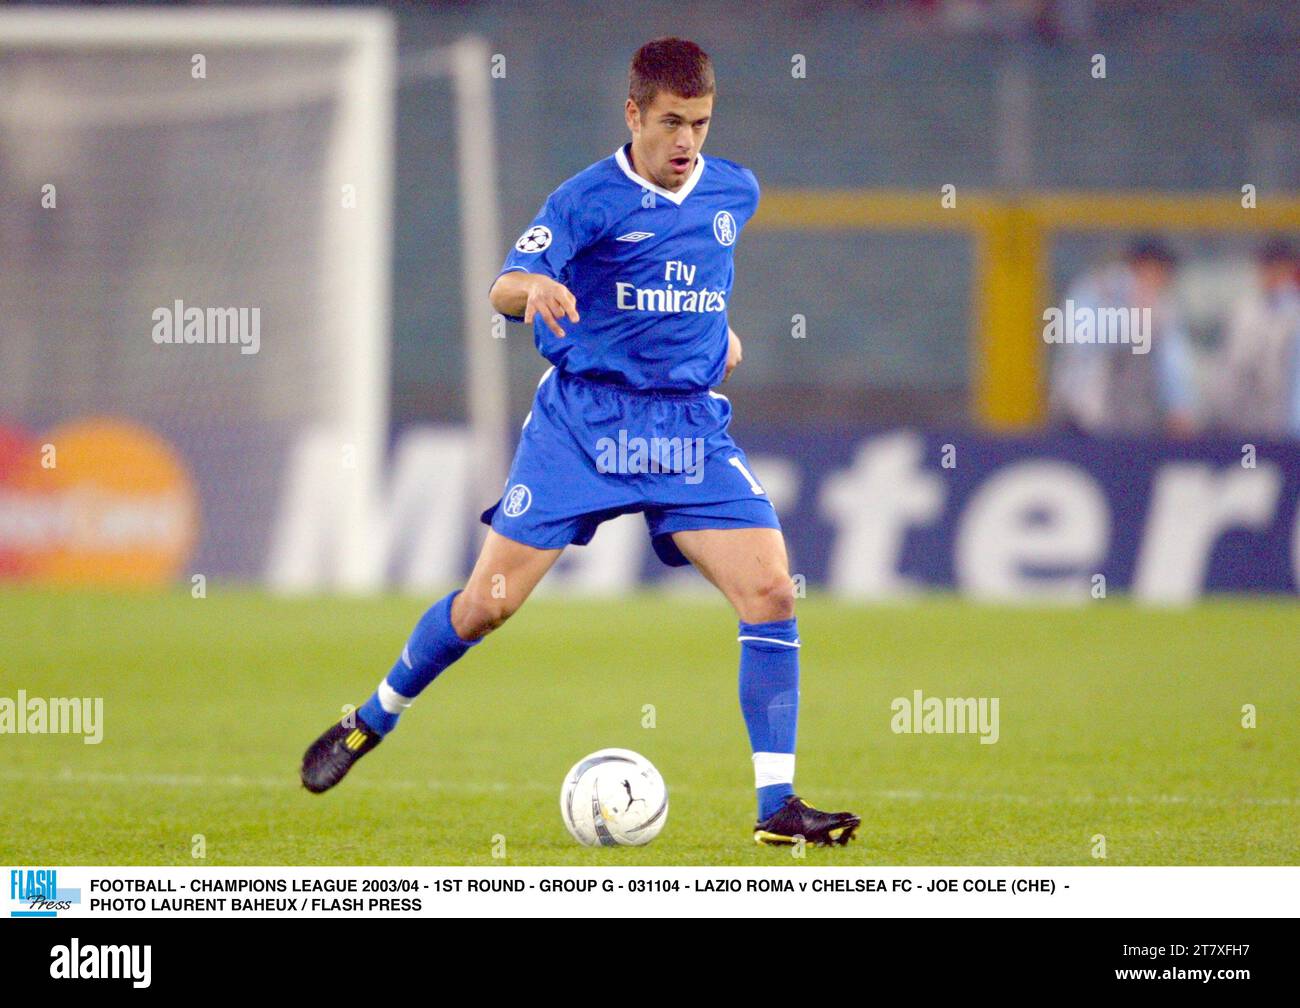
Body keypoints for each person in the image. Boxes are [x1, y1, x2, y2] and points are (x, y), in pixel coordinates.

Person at [300, 37, 860, 847]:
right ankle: (372, 718)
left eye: (699, 123)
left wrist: (716, 336)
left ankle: (777, 807)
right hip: (584, 427)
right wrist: (536, 288)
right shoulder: (585, 199)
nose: (685, 142)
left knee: (771, 593)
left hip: (685, 430)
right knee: (486, 607)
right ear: (633, 113)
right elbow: (503, 286)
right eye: (670, 122)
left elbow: (694, 279)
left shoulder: (734, 191)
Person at [1049, 236, 1196, 436]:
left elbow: (1171, 362)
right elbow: (1078, 339)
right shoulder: (1098, 289)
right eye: (1154, 270)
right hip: (1081, 415)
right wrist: (1134, 323)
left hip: (1135, 418)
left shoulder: (1162, 306)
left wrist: (1179, 406)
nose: (1159, 279)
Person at [1214, 237, 1300, 438]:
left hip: (1290, 426)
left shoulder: (1295, 312)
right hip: (1249, 425)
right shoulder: (1244, 313)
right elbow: (1232, 370)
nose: (1275, 275)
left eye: (1281, 268)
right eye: (1269, 267)